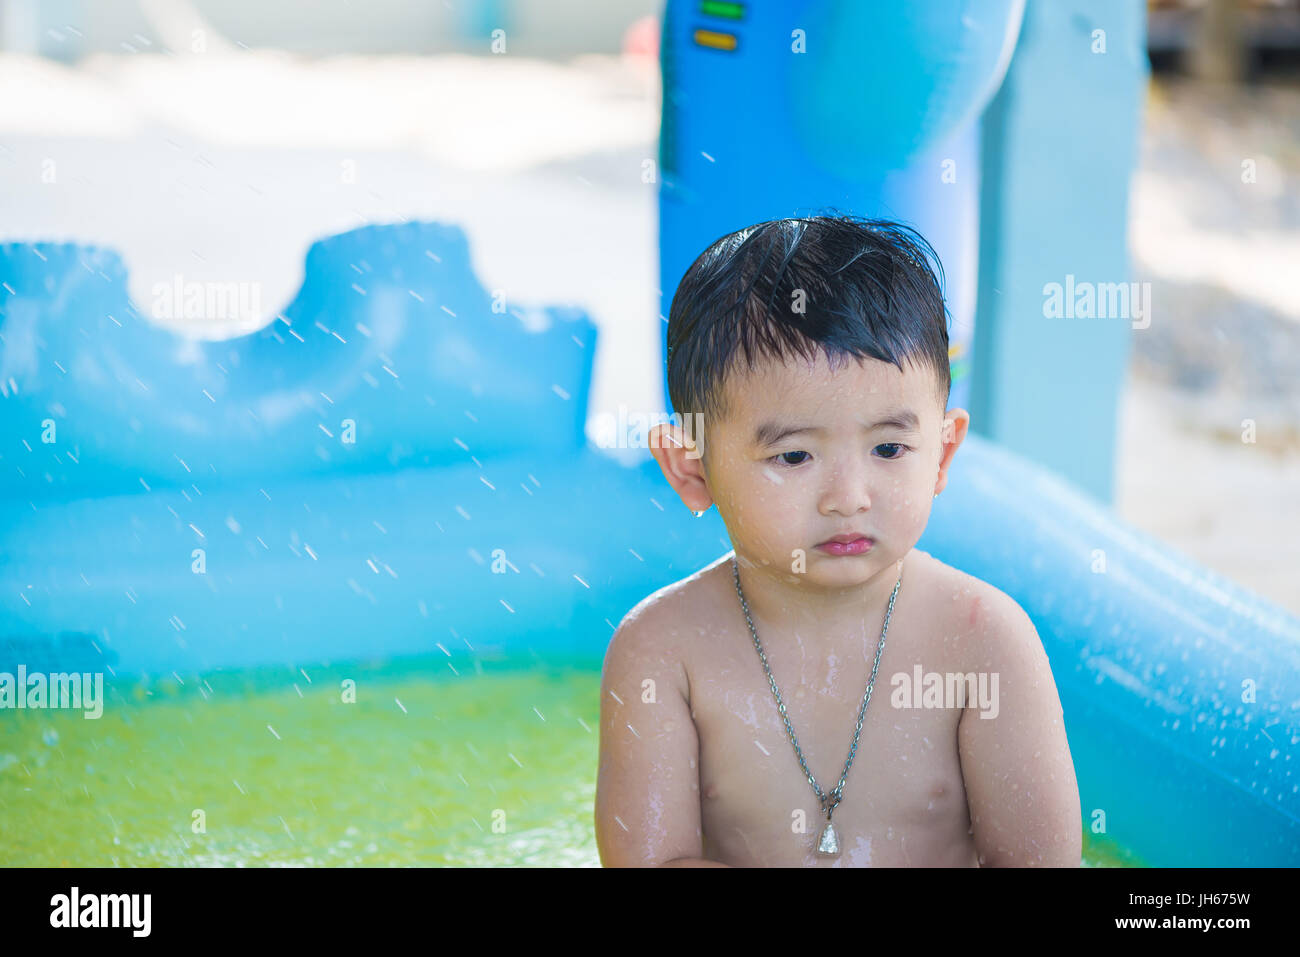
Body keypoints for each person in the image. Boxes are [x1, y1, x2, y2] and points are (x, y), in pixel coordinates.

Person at [594, 214, 1081, 867]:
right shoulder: (662, 651)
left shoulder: (984, 641)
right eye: (794, 457)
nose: (849, 495)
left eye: (888, 447)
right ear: (691, 467)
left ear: (941, 453)